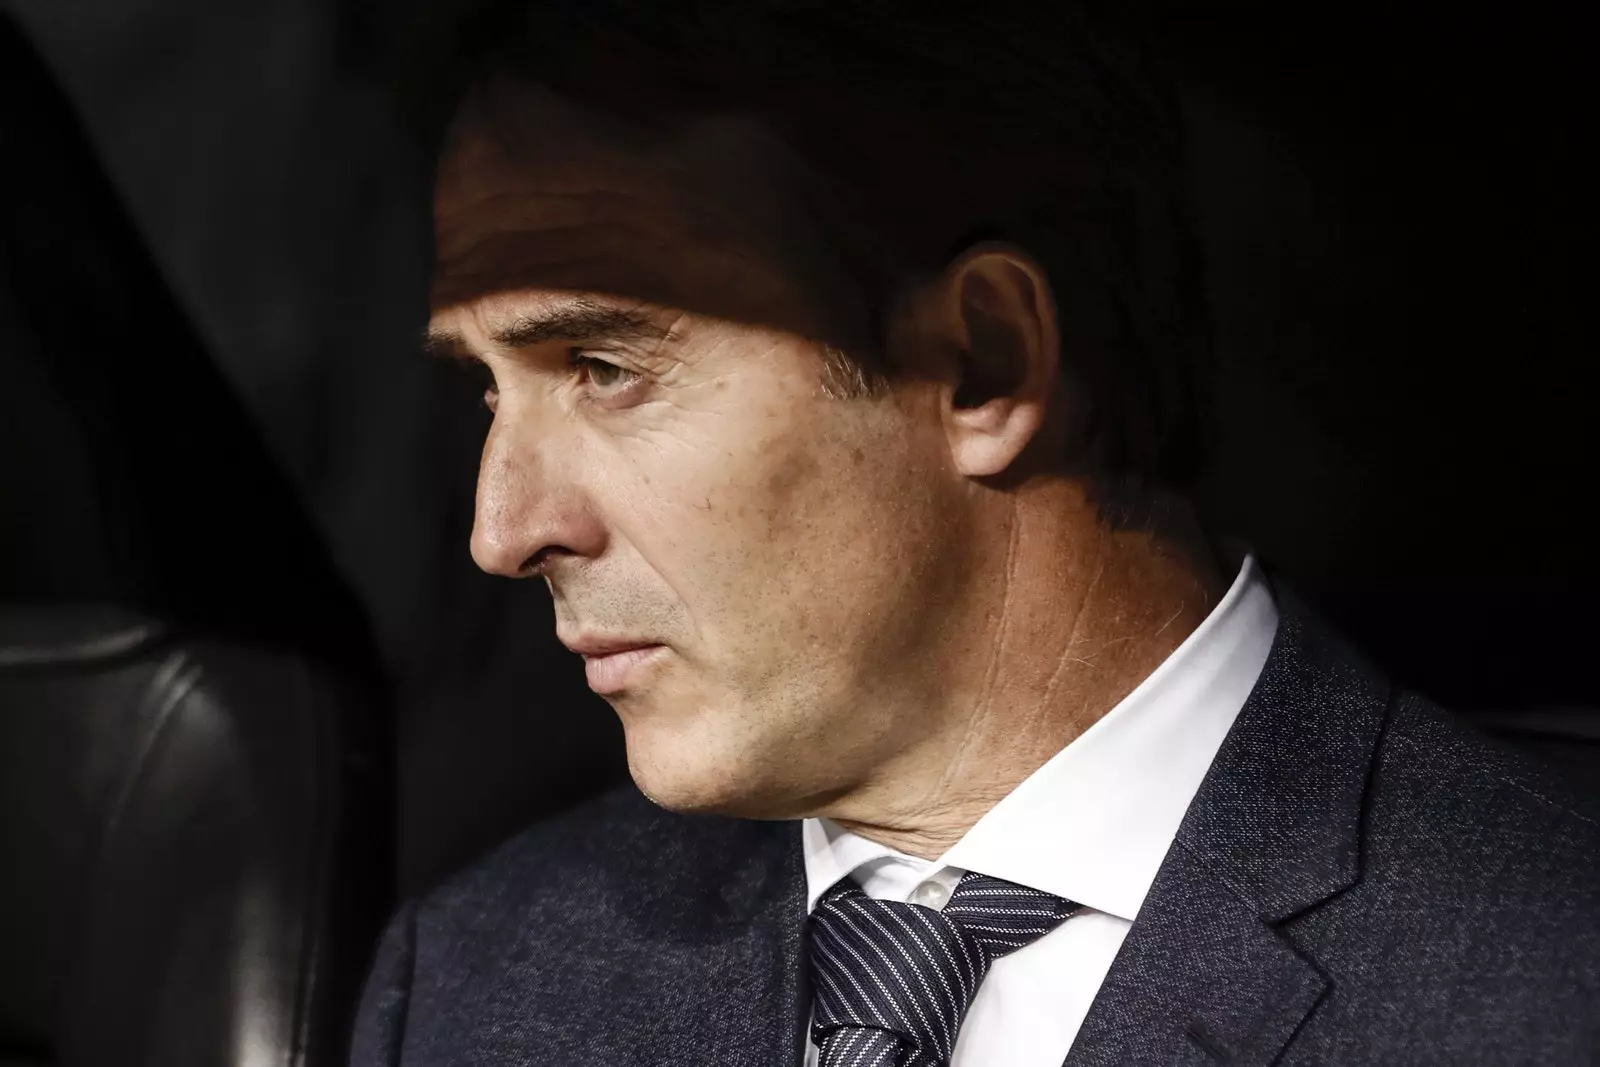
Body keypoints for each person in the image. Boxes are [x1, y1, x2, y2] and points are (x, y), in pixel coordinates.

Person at [352, 2, 1600, 1064]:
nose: (502, 528)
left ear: (982, 367)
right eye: (486, 390)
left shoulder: (1549, 972)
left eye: (607, 366)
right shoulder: (475, 979)